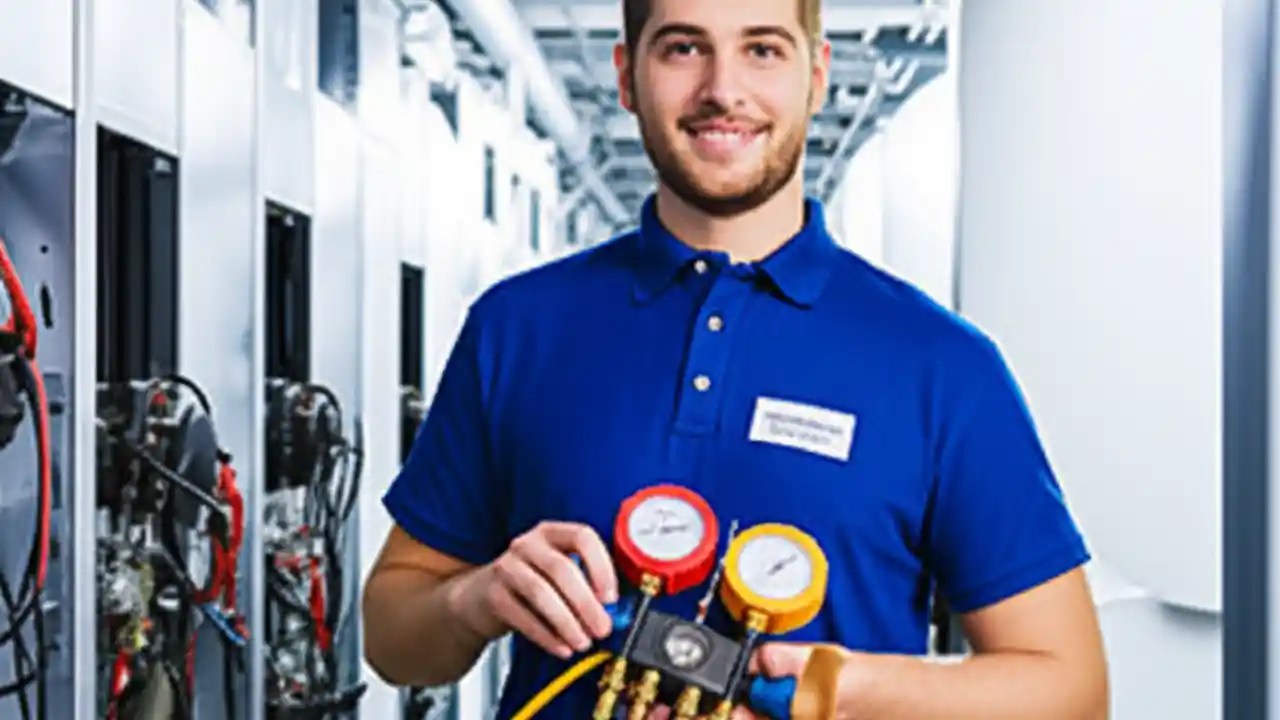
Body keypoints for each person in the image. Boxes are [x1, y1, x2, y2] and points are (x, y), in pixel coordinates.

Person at [362, 0, 1110, 717]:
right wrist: (477, 599)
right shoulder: (517, 326)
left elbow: (1071, 693)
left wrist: (839, 694)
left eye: (762, 49)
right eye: (683, 47)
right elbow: (393, 640)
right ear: (627, 76)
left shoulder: (942, 366)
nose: (723, 90)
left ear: (815, 76)